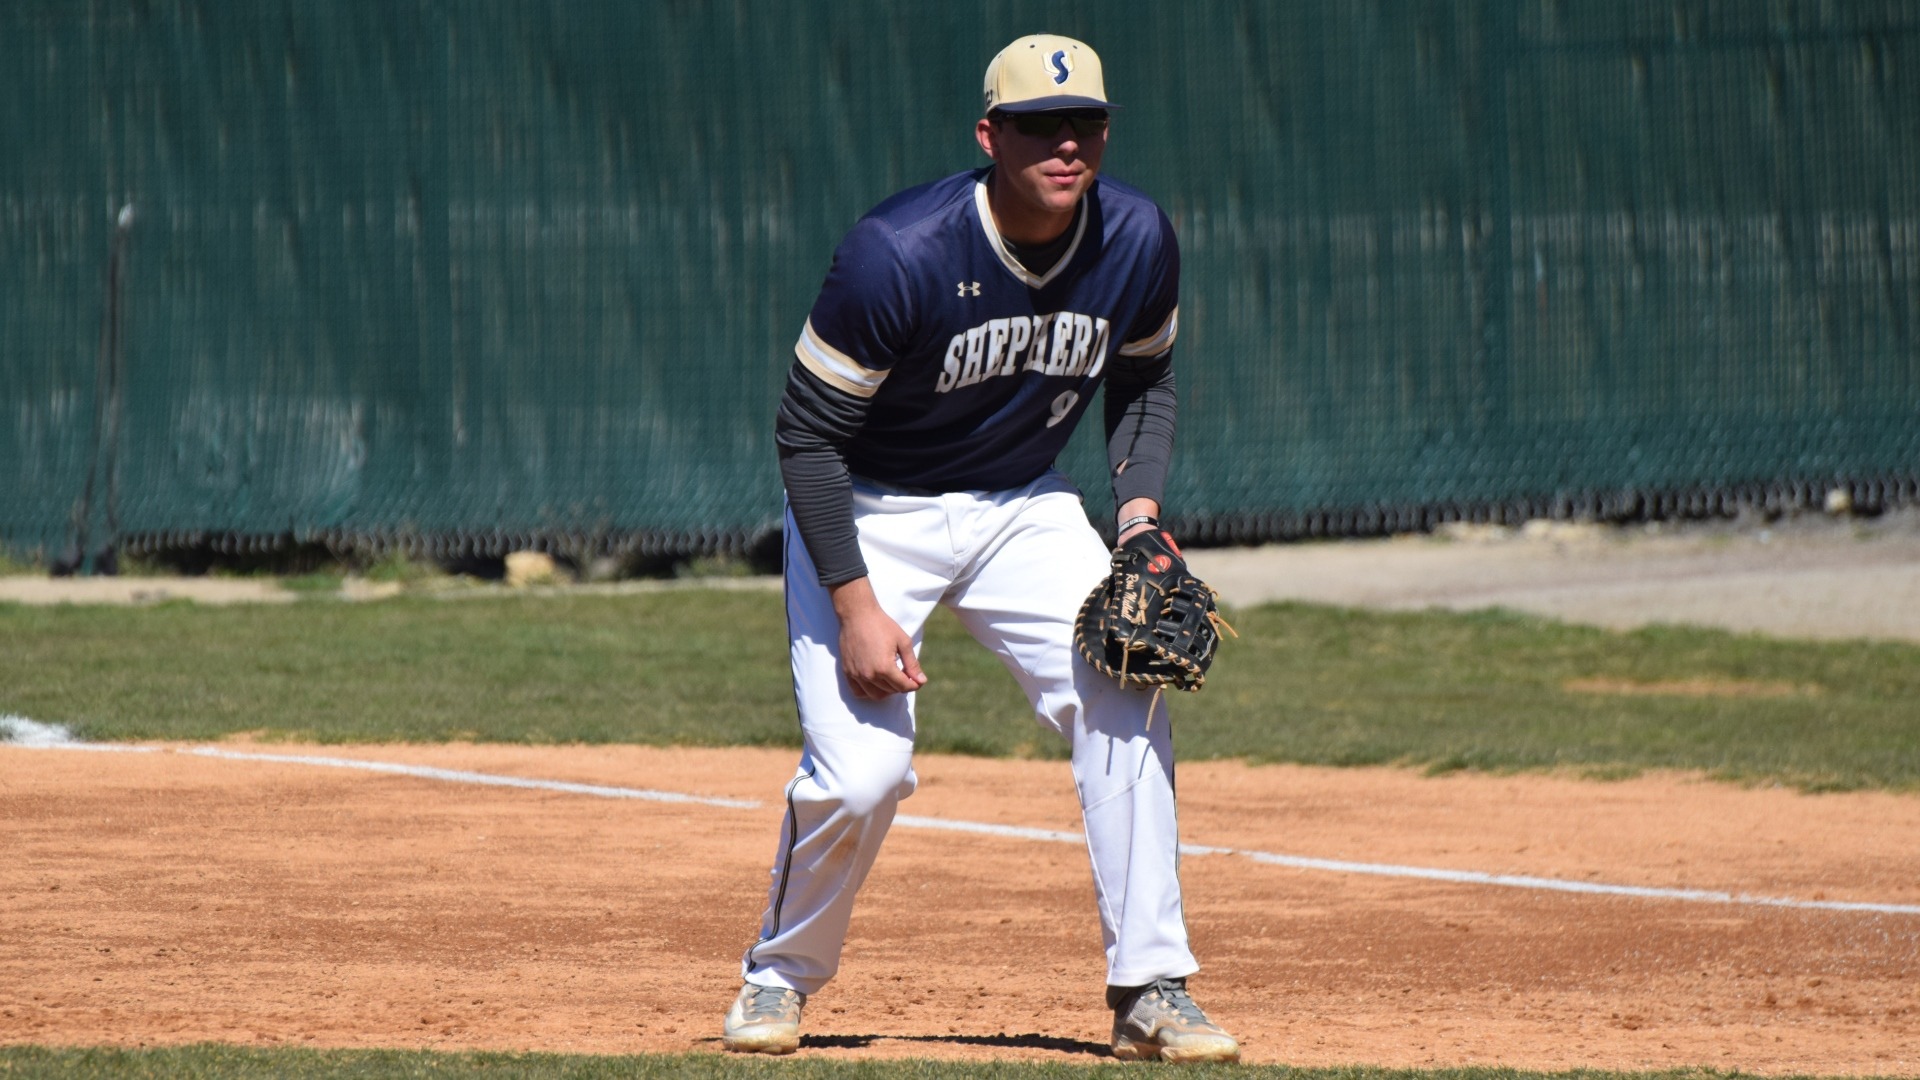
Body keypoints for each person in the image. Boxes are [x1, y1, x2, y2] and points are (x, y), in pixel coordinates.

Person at [721, 33, 1238, 1064]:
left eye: (1084, 123)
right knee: (863, 774)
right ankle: (777, 979)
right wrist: (856, 604)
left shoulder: (1136, 237)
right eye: (1039, 126)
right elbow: (807, 436)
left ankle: (1152, 989)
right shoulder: (899, 253)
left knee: (1125, 689)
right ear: (990, 137)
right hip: (872, 509)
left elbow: (1144, 377)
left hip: (1021, 505)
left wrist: (1138, 517)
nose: (1066, 143)